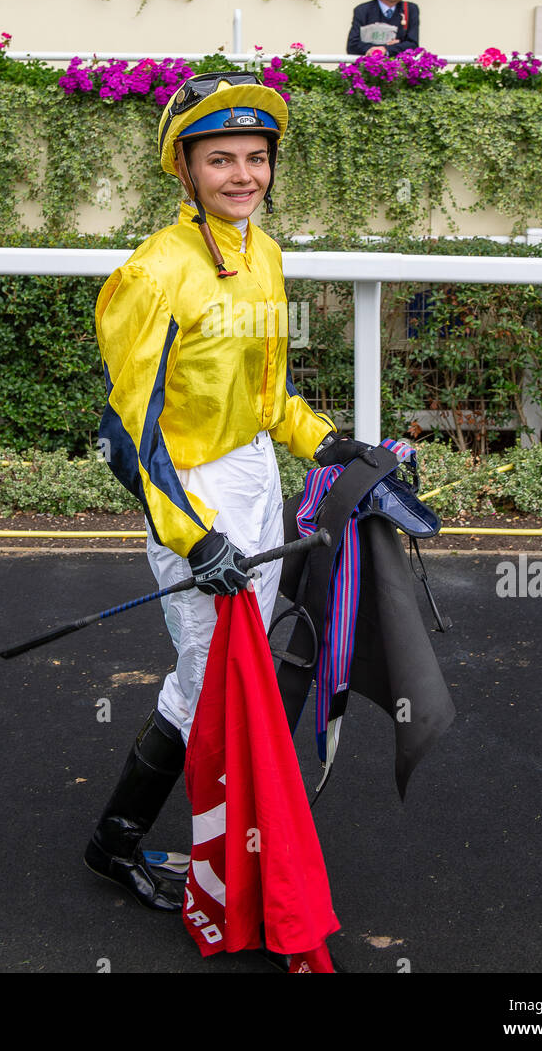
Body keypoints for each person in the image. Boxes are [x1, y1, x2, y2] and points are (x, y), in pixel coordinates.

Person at [85, 72, 368, 912]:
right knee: (209, 679)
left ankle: (230, 836)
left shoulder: (265, 253)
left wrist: (328, 442)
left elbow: (270, 395)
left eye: (256, 158)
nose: (242, 175)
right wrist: (192, 537)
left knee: (234, 675)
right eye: (220, 160)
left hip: (252, 475)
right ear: (185, 168)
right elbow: (123, 434)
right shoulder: (154, 273)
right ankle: (116, 843)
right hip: (190, 491)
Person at [347, 0, 420, 57]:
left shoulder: (410, 9)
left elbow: (413, 45)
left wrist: (386, 49)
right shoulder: (363, 10)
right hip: (369, 68)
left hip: (398, 68)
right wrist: (377, 50)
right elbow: (352, 46)